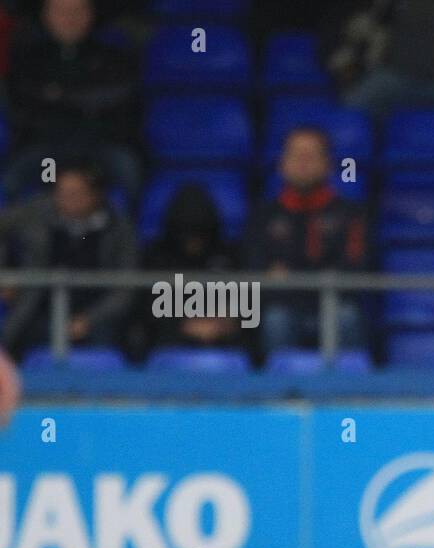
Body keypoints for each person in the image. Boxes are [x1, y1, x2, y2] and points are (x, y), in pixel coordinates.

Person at [247, 127, 369, 355]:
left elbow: (354, 267)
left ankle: (348, 389)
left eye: (311, 156)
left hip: (335, 304)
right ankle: (278, 389)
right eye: (296, 155)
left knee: (346, 317)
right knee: (276, 320)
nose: (303, 163)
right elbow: (257, 269)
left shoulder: (350, 213)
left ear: (328, 164)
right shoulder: (263, 215)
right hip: (283, 306)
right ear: (282, 163)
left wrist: (293, 279)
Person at [0, 161, 138, 360]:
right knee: (12, 339)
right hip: (36, 310)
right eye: (61, 192)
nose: (65, 200)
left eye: (75, 193)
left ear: (95, 195)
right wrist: (5, 274)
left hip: (97, 318)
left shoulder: (120, 228)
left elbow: (126, 289)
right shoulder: (37, 211)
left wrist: (88, 320)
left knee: (108, 348)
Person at [4, 0, 141, 199]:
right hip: (46, 147)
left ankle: (126, 227)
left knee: (128, 170)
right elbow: (22, 107)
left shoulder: (113, 56)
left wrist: (57, 97)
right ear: (45, 15)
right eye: (61, 12)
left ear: (91, 14)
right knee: (13, 180)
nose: (69, 19)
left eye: (77, 11)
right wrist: (84, 103)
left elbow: (121, 102)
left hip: (100, 144)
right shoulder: (28, 58)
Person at [135, 183, 256, 363]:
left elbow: (249, 302)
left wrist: (227, 321)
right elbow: (144, 305)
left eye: (199, 235)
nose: (193, 243)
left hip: (225, 337)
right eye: (187, 236)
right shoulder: (156, 257)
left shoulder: (230, 255)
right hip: (168, 337)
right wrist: (183, 325)